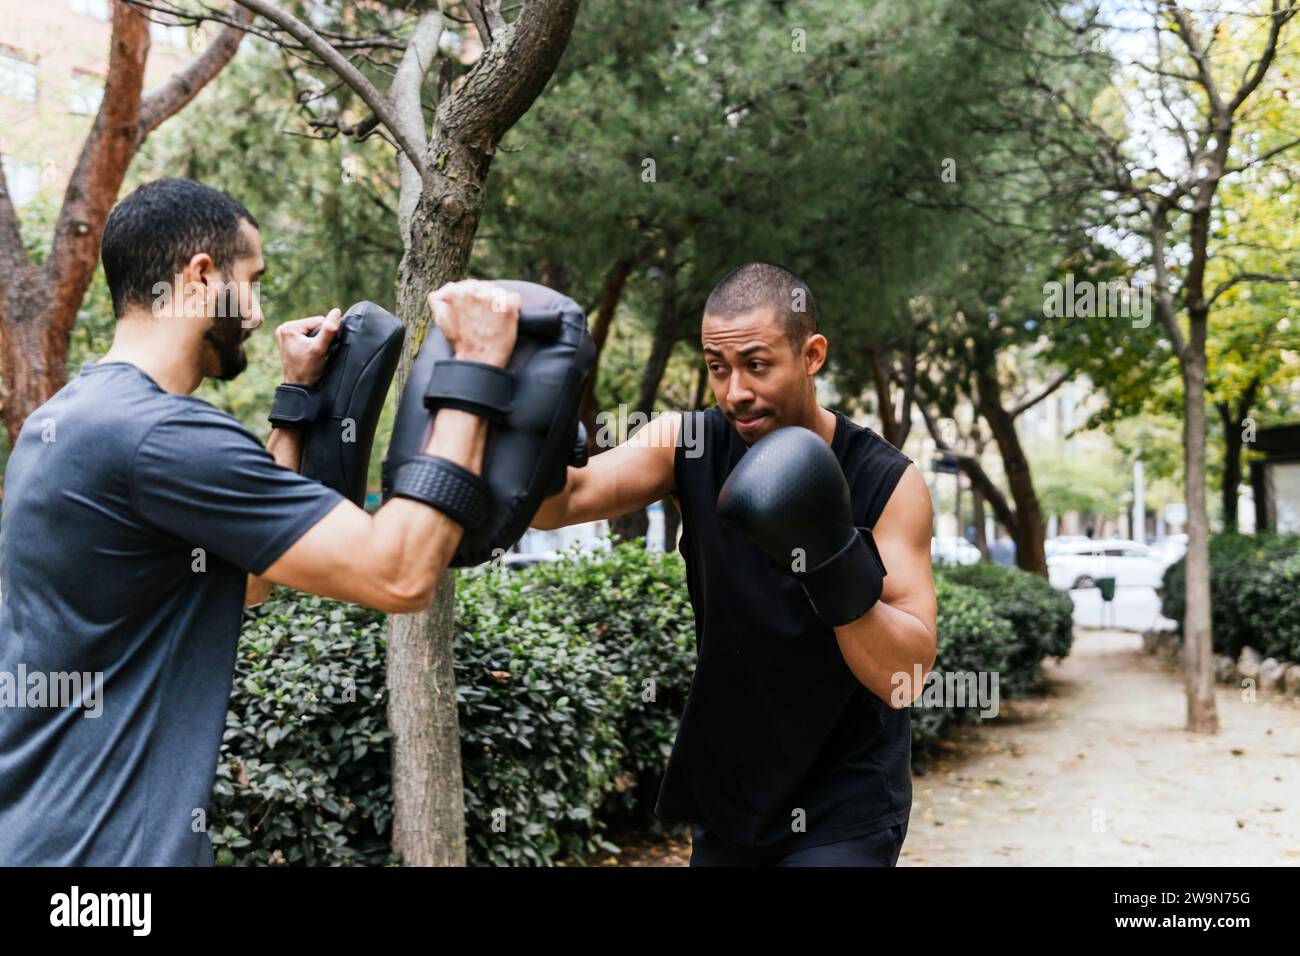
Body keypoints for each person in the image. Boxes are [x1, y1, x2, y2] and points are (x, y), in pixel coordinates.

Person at [0, 178, 518, 865]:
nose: (257, 309)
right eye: (253, 280)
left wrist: (296, 401)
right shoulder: (164, 436)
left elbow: (246, 580)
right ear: (202, 275)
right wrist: (474, 370)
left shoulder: (66, 420)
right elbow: (399, 575)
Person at [531, 262, 937, 866]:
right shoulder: (688, 443)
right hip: (733, 790)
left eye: (757, 364)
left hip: (845, 797)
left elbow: (905, 676)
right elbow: (560, 504)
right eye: (717, 368)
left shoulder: (887, 481)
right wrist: (535, 418)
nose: (734, 392)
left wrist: (830, 558)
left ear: (812, 354)